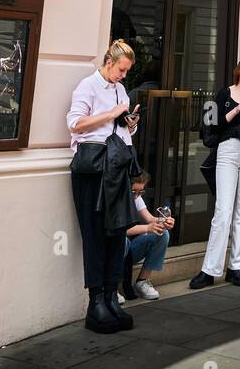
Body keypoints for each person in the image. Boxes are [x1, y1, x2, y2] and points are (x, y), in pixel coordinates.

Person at [67, 39, 141, 333]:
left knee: (116, 232)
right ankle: (95, 301)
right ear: (109, 63)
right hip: (93, 168)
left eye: (126, 72)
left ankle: (111, 296)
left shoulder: (120, 89)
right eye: (121, 70)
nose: (124, 76)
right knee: (95, 233)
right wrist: (112, 113)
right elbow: (75, 123)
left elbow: (121, 128)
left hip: (116, 167)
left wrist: (130, 122)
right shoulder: (88, 86)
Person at [189, 53, 240, 290]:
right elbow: (212, 125)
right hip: (226, 149)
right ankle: (209, 269)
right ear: (239, 71)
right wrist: (235, 111)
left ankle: (236, 267)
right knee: (223, 211)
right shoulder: (224, 94)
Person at [121, 171, 175, 302]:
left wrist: (163, 221)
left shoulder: (136, 198)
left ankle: (142, 281)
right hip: (114, 249)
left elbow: (149, 218)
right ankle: (110, 288)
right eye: (134, 191)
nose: (137, 195)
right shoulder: (118, 198)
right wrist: (147, 228)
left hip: (131, 251)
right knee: (121, 240)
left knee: (162, 234)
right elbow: (118, 230)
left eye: (141, 192)